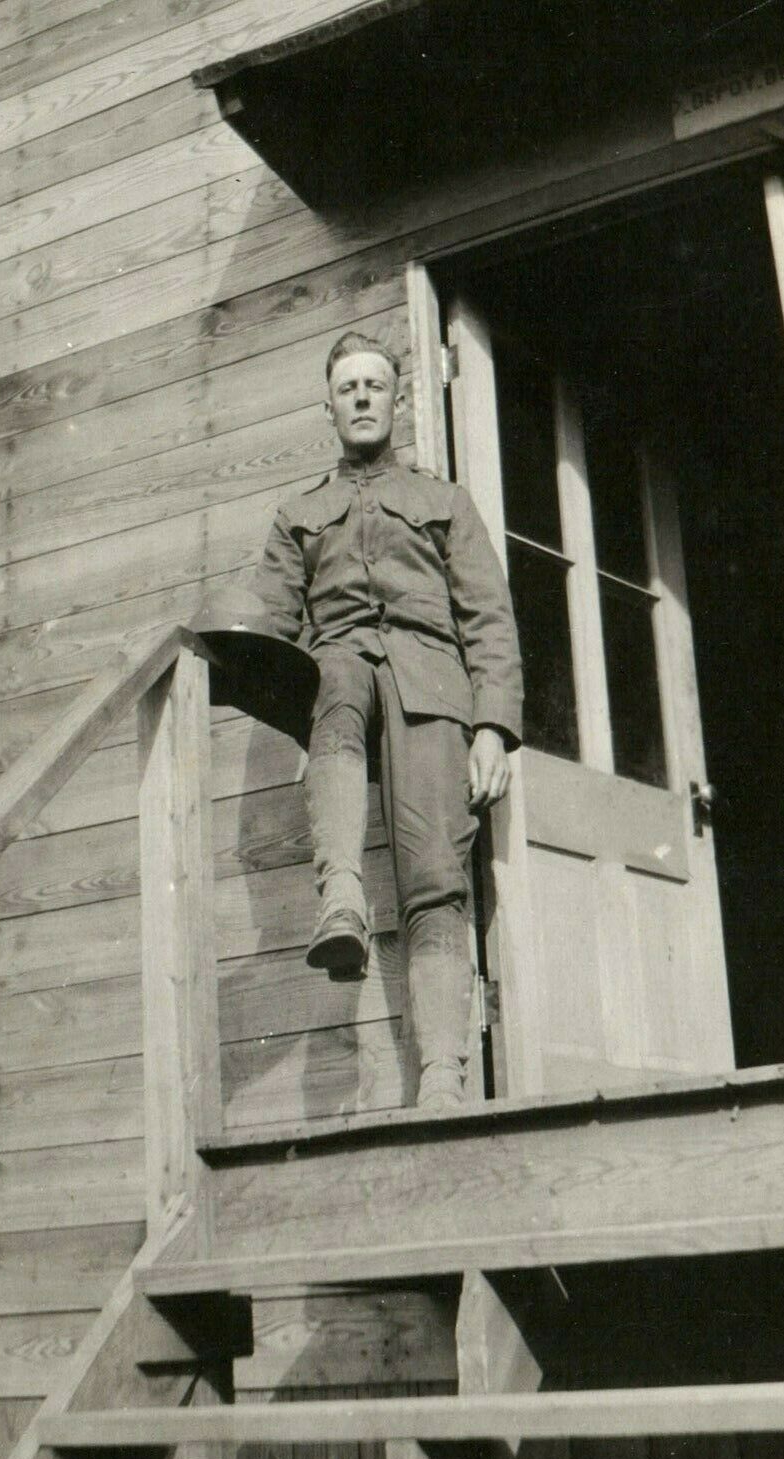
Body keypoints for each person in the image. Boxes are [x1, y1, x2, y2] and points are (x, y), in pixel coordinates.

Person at [248, 330, 523, 1110]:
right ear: (329, 408)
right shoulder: (298, 515)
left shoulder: (445, 503)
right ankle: (340, 900)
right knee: (333, 665)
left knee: (436, 881)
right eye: (348, 388)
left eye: (375, 385)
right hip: (340, 684)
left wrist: (493, 728)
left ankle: (442, 1075)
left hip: (431, 692)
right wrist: (297, 719)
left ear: (396, 400)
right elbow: (270, 635)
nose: (363, 397)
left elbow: (489, 620)